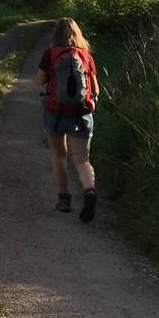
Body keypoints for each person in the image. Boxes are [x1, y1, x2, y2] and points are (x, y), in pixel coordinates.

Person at [35, 16, 101, 222]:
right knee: (82, 160)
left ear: (55, 34)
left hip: (55, 112)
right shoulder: (86, 56)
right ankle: (89, 191)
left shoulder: (50, 54)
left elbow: (40, 81)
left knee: (59, 155)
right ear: (77, 34)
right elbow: (95, 89)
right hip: (82, 113)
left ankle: (64, 200)